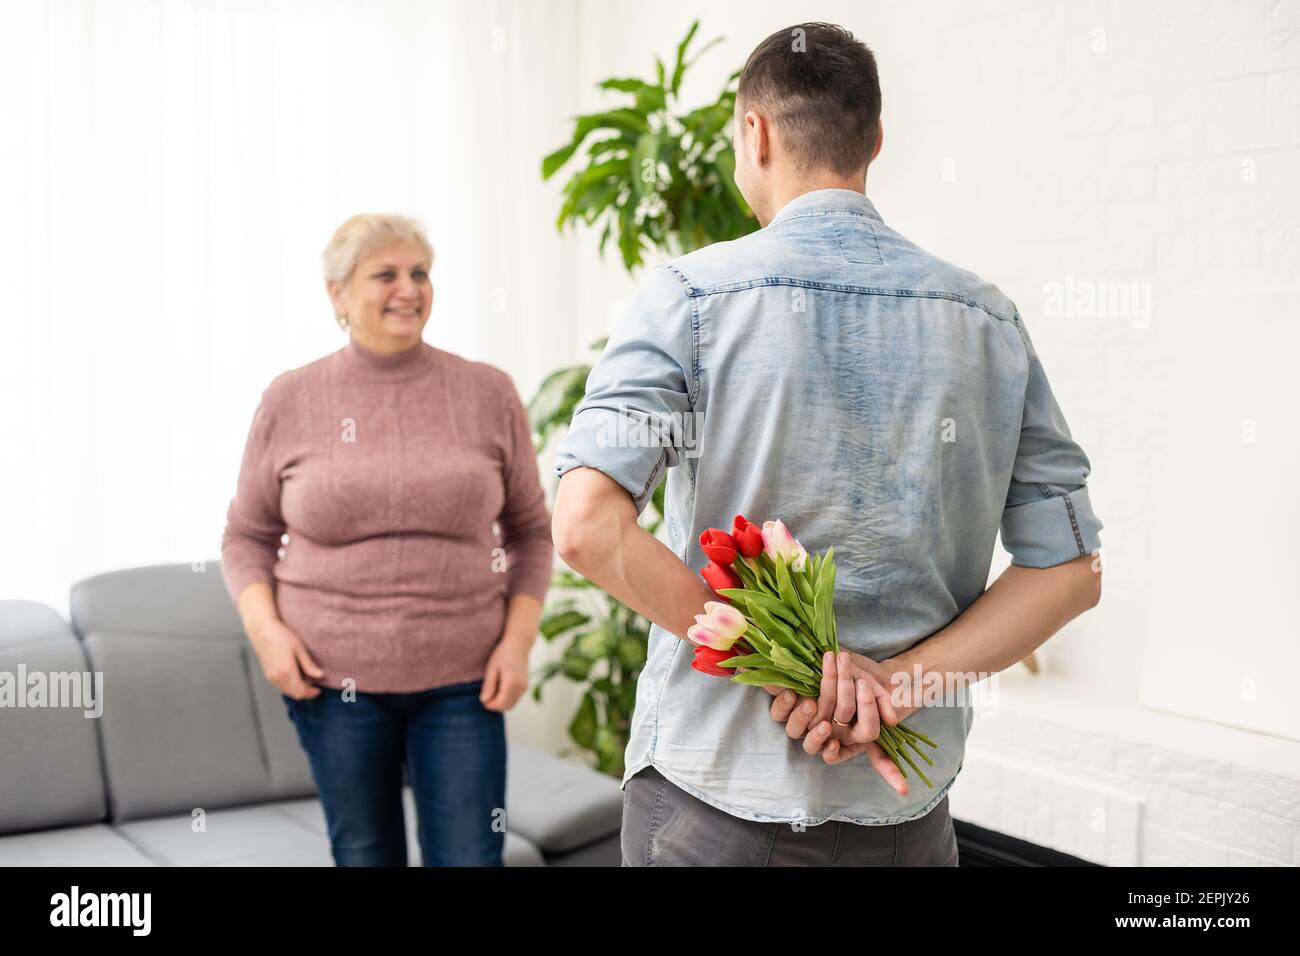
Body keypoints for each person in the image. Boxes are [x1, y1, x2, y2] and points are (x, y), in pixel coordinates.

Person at [551, 22, 1103, 866]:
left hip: (714, 806)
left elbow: (587, 526)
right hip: (905, 818)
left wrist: (788, 668)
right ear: (876, 140)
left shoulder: (690, 297)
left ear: (754, 134)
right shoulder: (987, 320)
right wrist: (896, 687)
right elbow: (1068, 571)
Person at [220, 213, 553, 866]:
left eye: (420, 273)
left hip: (465, 681)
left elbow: (530, 532)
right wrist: (268, 636)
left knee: (470, 856)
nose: (409, 289)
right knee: (366, 854)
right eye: (386, 274)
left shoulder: (487, 392)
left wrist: (517, 644)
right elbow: (246, 537)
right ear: (337, 293)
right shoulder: (290, 399)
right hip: (332, 683)